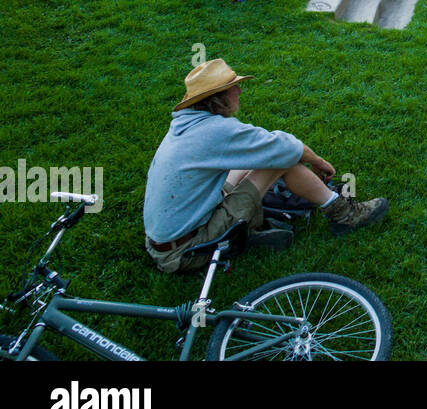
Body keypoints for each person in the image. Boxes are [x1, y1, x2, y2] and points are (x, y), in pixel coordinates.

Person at [143, 58, 389, 273]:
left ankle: (246, 234)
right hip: (187, 251)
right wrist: (319, 162)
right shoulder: (216, 131)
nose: (239, 90)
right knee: (280, 162)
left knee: (251, 161)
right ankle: (344, 215)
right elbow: (288, 149)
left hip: (164, 243)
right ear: (218, 98)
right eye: (234, 87)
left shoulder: (184, 126)